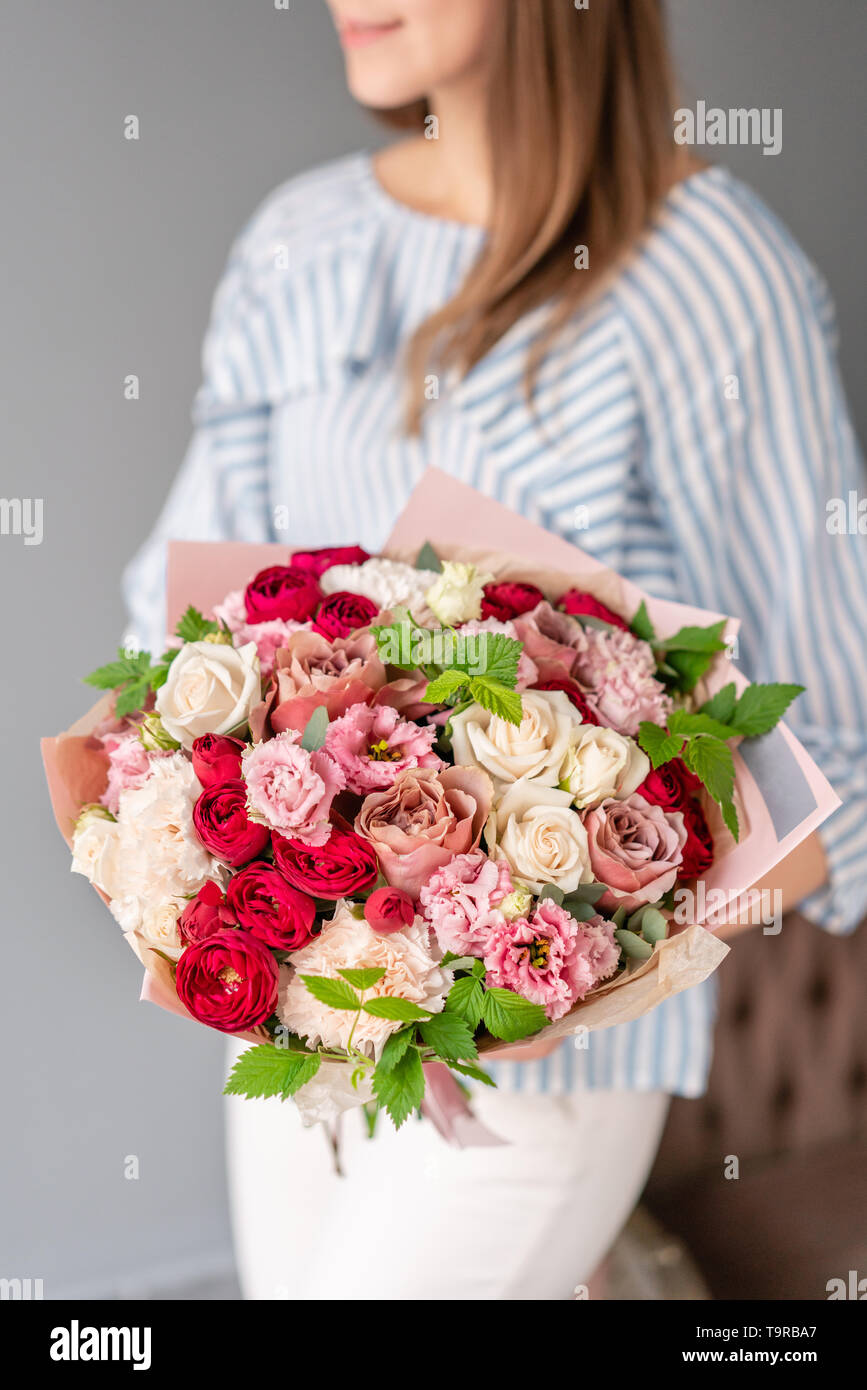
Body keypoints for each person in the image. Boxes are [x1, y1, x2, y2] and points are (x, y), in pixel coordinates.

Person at [124, 0, 866, 1299]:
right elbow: (173, 629)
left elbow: (842, 746)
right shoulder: (301, 244)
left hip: (548, 1073)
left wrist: (593, 969)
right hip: (309, 1027)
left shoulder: (706, 270)